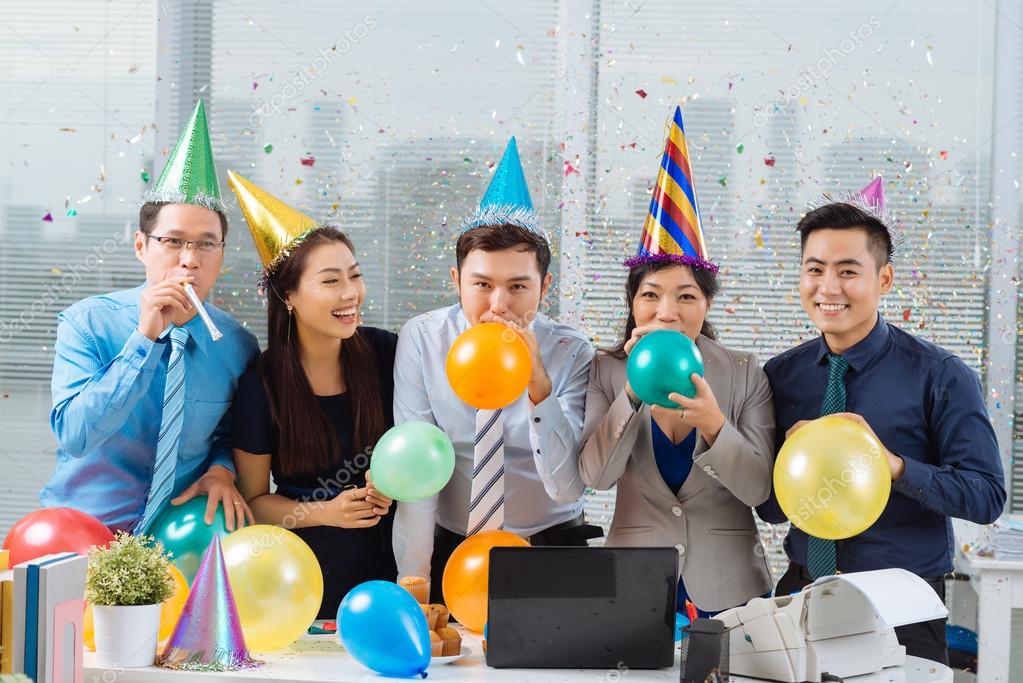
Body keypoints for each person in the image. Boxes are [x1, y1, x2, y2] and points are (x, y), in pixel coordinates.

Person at [757, 179, 1006, 663]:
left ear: (884, 279)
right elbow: (770, 509)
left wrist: (891, 465)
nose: (828, 287)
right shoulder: (781, 374)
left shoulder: (941, 376)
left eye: (848, 271)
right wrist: (785, 465)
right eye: (815, 269)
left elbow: (987, 496)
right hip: (802, 592)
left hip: (902, 603)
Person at [580, 106, 774, 616]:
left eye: (686, 297)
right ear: (632, 303)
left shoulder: (743, 372)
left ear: (706, 305)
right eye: (651, 295)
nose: (667, 312)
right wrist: (630, 397)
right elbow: (595, 477)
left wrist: (715, 425)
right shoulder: (606, 371)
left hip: (731, 590)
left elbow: (759, 490)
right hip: (632, 586)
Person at [392, 137, 599, 603]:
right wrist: (415, 584)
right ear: (456, 282)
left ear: (545, 288)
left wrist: (539, 386)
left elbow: (567, 486)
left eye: (518, 286)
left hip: (552, 548)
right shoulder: (422, 340)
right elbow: (418, 473)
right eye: (481, 284)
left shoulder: (571, 351)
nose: (499, 305)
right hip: (453, 549)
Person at [41, 101, 258, 533]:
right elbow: (75, 435)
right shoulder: (87, 324)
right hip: (80, 537)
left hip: (176, 547)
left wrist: (220, 469)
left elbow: (229, 436)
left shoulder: (236, 345)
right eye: (173, 241)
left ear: (222, 254)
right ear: (141, 246)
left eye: (206, 244)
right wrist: (144, 340)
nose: (189, 260)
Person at [228, 172, 396, 618]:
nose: (350, 294)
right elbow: (255, 503)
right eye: (330, 281)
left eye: (354, 276)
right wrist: (327, 511)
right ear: (288, 296)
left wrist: (391, 485)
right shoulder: (261, 385)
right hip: (303, 581)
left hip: (394, 570)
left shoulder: (386, 353)